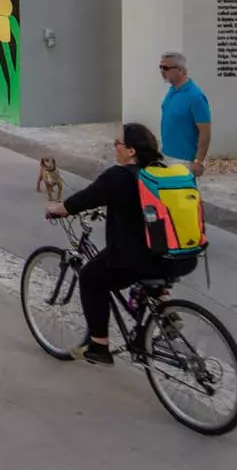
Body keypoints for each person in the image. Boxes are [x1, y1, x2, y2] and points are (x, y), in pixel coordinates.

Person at [46, 122, 176, 366]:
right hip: (175, 257)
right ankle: (167, 310)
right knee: (149, 267)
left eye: (118, 143)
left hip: (135, 259)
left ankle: (99, 345)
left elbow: (86, 198)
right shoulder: (160, 172)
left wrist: (58, 209)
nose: (114, 147)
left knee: (90, 277)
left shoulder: (119, 176)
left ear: (131, 151)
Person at [158, 52, 212, 176]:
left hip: (184, 161)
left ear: (180, 70)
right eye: (160, 67)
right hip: (166, 156)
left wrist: (198, 161)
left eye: (165, 68)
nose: (162, 71)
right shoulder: (172, 91)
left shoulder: (195, 96)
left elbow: (205, 131)